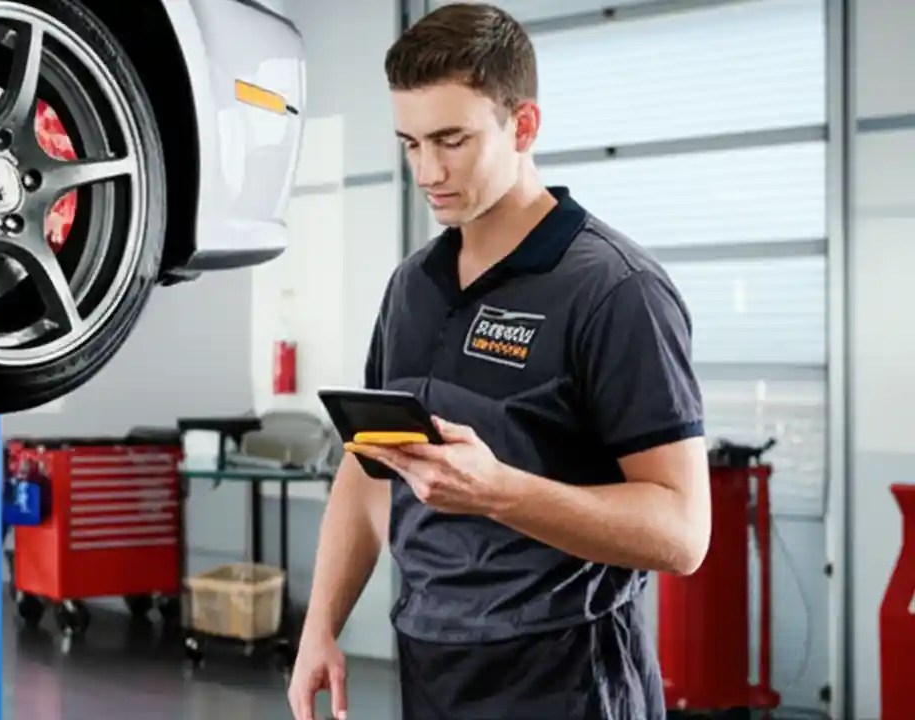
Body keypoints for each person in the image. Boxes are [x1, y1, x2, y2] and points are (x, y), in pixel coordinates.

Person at [286, 4, 712, 720]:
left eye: (452, 140)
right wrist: (320, 626)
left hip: (569, 676)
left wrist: (499, 491)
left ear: (523, 127)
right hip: (431, 665)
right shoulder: (411, 288)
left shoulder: (615, 290)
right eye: (410, 143)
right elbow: (367, 476)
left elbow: (681, 533)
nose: (427, 170)